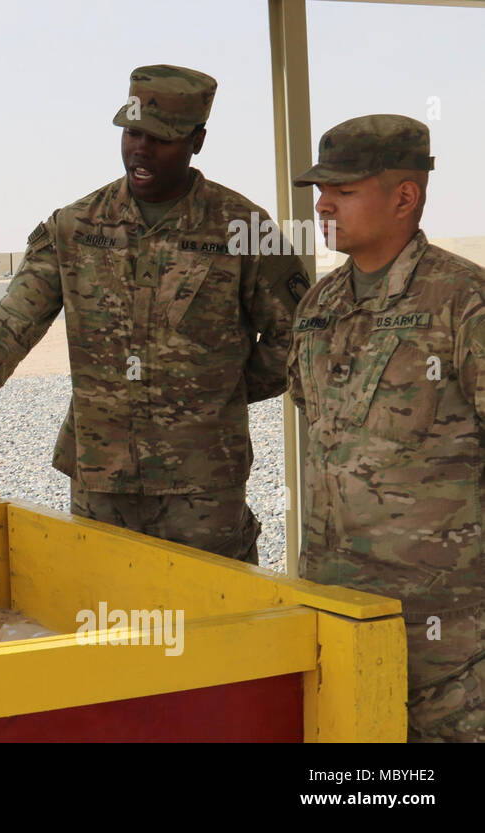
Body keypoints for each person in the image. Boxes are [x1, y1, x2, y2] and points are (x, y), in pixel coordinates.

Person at [0, 65, 308, 563]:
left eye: (161, 138)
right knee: (103, 599)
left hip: (203, 482)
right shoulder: (75, 227)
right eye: (132, 133)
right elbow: (9, 327)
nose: (141, 150)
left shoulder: (243, 229)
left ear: (197, 140)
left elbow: (298, 336)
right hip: (101, 480)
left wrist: (220, 390)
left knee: (216, 602)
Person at [287, 114, 484, 741]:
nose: (323, 204)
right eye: (320, 190)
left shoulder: (462, 301)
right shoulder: (318, 306)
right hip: (336, 613)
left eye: (343, 190)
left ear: (404, 196)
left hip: (448, 640)